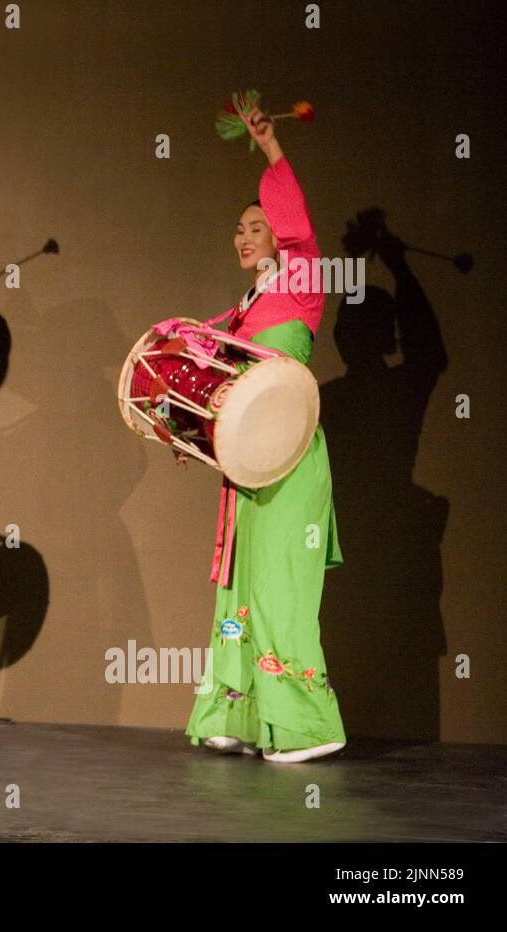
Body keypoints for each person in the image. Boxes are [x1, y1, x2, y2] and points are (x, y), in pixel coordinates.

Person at [184, 105, 347, 763]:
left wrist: (271, 147)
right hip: (248, 469)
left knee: (280, 588)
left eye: (258, 227)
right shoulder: (237, 315)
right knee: (239, 595)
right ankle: (240, 711)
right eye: (239, 229)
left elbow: (302, 232)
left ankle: (307, 723)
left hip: (290, 461)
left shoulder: (299, 289)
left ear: (278, 238)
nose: (245, 236)